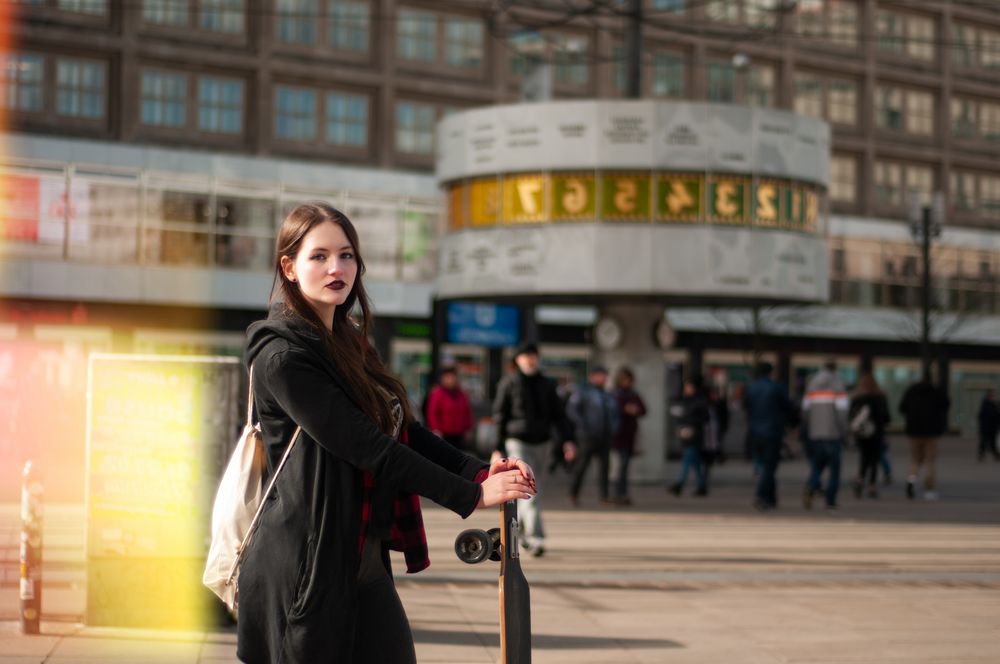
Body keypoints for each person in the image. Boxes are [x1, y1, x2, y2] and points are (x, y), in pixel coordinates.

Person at [238, 202, 536, 663]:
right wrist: (471, 497)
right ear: (289, 267)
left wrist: (481, 471)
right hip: (306, 563)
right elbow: (368, 448)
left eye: (347, 255)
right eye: (319, 256)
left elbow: (404, 432)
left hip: (364, 555)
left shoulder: (351, 342)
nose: (337, 268)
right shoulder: (280, 357)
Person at [492, 342, 576, 556]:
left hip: (543, 442)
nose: (530, 360)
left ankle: (519, 534)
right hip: (516, 441)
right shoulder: (509, 383)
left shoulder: (547, 384)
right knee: (531, 490)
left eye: (533, 356)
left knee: (529, 491)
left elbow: (558, 414)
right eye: (525, 356)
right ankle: (535, 538)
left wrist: (568, 439)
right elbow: (500, 416)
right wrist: (497, 447)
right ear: (518, 360)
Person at [566, 365, 620, 506]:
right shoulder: (583, 392)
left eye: (604, 376)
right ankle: (574, 493)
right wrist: (583, 426)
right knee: (582, 465)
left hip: (605, 436)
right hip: (587, 436)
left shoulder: (608, 395)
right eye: (600, 375)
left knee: (605, 468)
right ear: (592, 376)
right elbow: (572, 410)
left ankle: (604, 496)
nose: (603, 378)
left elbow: (615, 414)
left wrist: (613, 428)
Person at [743, 362, 793, 511]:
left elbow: (746, 407)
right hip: (773, 431)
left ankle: (770, 497)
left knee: (761, 464)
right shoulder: (777, 387)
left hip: (755, 431)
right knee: (769, 466)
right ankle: (761, 495)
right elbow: (788, 407)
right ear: (771, 372)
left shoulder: (751, 388)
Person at [801, 359, 849, 510]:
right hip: (833, 434)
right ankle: (830, 501)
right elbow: (842, 412)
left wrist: (808, 427)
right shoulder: (838, 384)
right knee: (834, 469)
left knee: (817, 465)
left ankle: (811, 485)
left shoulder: (812, 384)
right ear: (835, 368)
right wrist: (843, 431)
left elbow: (805, 410)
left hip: (815, 433)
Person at [899, 374, 951, 500]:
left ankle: (911, 480)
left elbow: (902, 408)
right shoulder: (936, 391)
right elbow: (946, 404)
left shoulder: (911, 390)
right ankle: (929, 489)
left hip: (914, 431)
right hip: (931, 432)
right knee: (930, 461)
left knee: (915, 459)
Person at [849, 374, 891, 499]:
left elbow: (851, 416)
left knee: (863, 458)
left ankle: (860, 480)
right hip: (876, 433)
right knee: (874, 460)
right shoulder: (880, 397)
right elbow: (886, 417)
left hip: (861, 434)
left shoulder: (857, 397)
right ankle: (872, 486)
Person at [668, 376, 711, 497]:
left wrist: (691, 422)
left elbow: (706, 418)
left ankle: (679, 483)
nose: (687, 389)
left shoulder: (700, 401)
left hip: (695, 434)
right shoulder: (685, 401)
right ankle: (702, 485)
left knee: (687, 459)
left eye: (689, 387)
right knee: (695, 462)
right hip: (685, 433)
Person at [610, 367, 647, 506]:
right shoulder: (615, 394)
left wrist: (635, 410)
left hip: (630, 434)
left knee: (624, 466)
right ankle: (619, 493)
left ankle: (622, 493)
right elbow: (611, 410)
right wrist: (624, 409)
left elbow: (644, 410)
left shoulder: (633, 394)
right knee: (622, 465)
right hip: (618, 434)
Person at [426, 366, 473, 450]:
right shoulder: (438, 393)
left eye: (452, 377)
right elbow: (432, 413)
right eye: (447, 377)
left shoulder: (461, 394)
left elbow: (467, 412)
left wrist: (468, 428)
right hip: (443, 434)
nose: (450, 380)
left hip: (459, 433)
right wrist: (435, 429)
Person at [977, 388, 1000, 462]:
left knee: (992, 442)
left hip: (993, 427)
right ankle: (982, 455)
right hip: (986, 427)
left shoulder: (995, 404)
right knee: (984, 441)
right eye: (991, 395)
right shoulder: (986, 404)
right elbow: (986, 415)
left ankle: (995, 455)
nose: (993, 397)